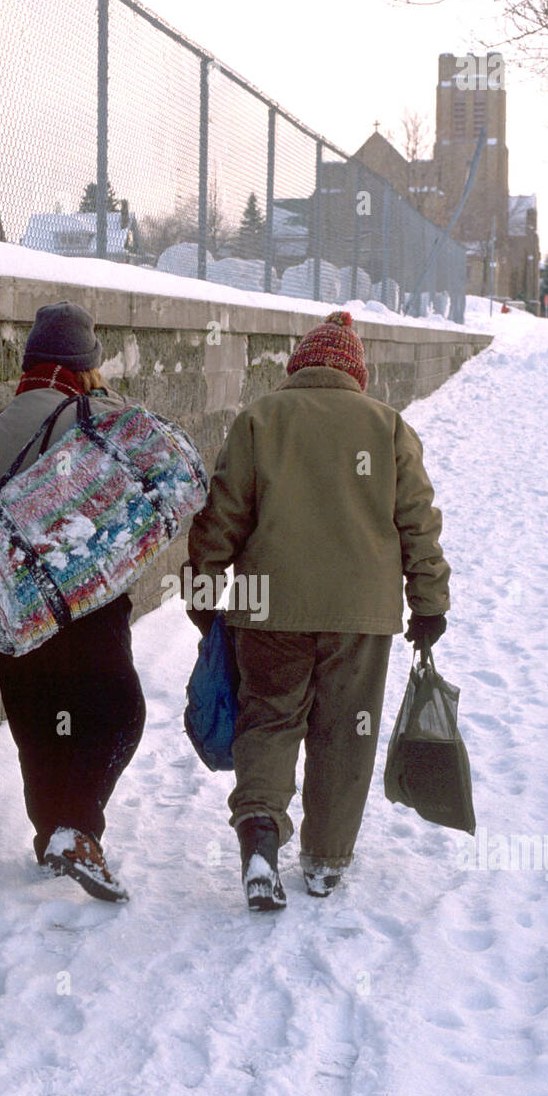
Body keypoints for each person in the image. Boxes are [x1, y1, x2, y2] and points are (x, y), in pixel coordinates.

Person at [184, 310, 451, 911]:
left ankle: (259, 829)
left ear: (299, 365)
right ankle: (326, 860)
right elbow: (418, 525)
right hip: (360, 613)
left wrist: (204, 593)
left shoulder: (260, 419)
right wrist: (429, 605)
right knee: (344, 732)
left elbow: (220, 516)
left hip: (268, 606)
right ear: (355, 373)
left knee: (270, 720)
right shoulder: (387, 427)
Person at [0, 302, 146, 903]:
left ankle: (52, 838)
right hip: (86, 609)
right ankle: (77, 830)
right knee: (120, 713)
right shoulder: (100, 419)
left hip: (13, 616)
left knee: (39, 729)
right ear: (84, 363)